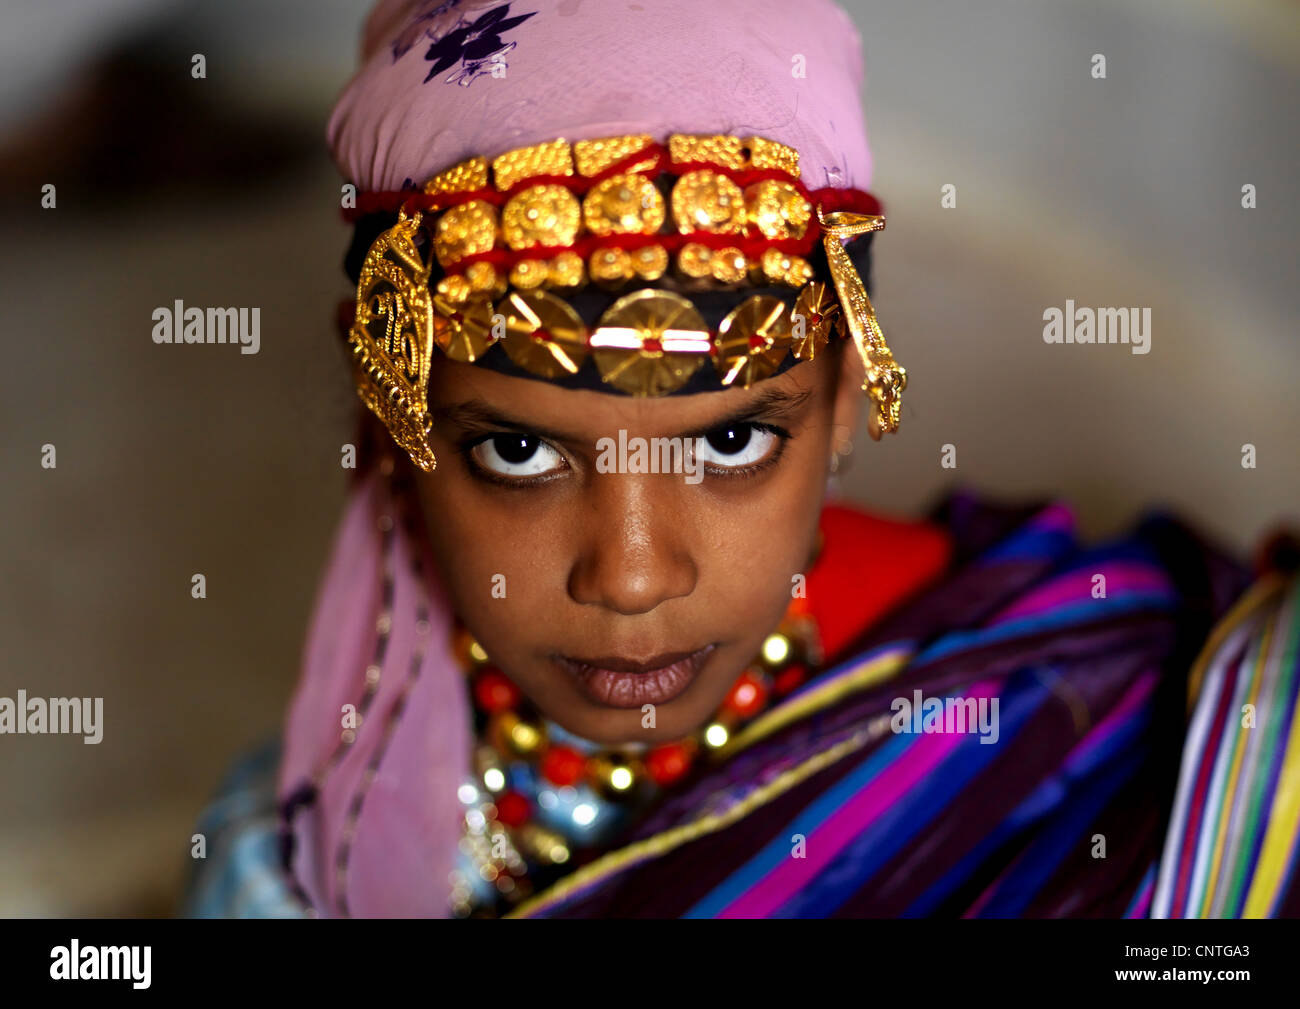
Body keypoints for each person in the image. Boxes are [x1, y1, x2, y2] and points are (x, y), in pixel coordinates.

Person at [182, 0, 1300, 919]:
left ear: (849, 397)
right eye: (518, 450)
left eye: (728, 440)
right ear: (386, 408)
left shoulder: (1103, 727)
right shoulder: (320, 811)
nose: (629, 575)